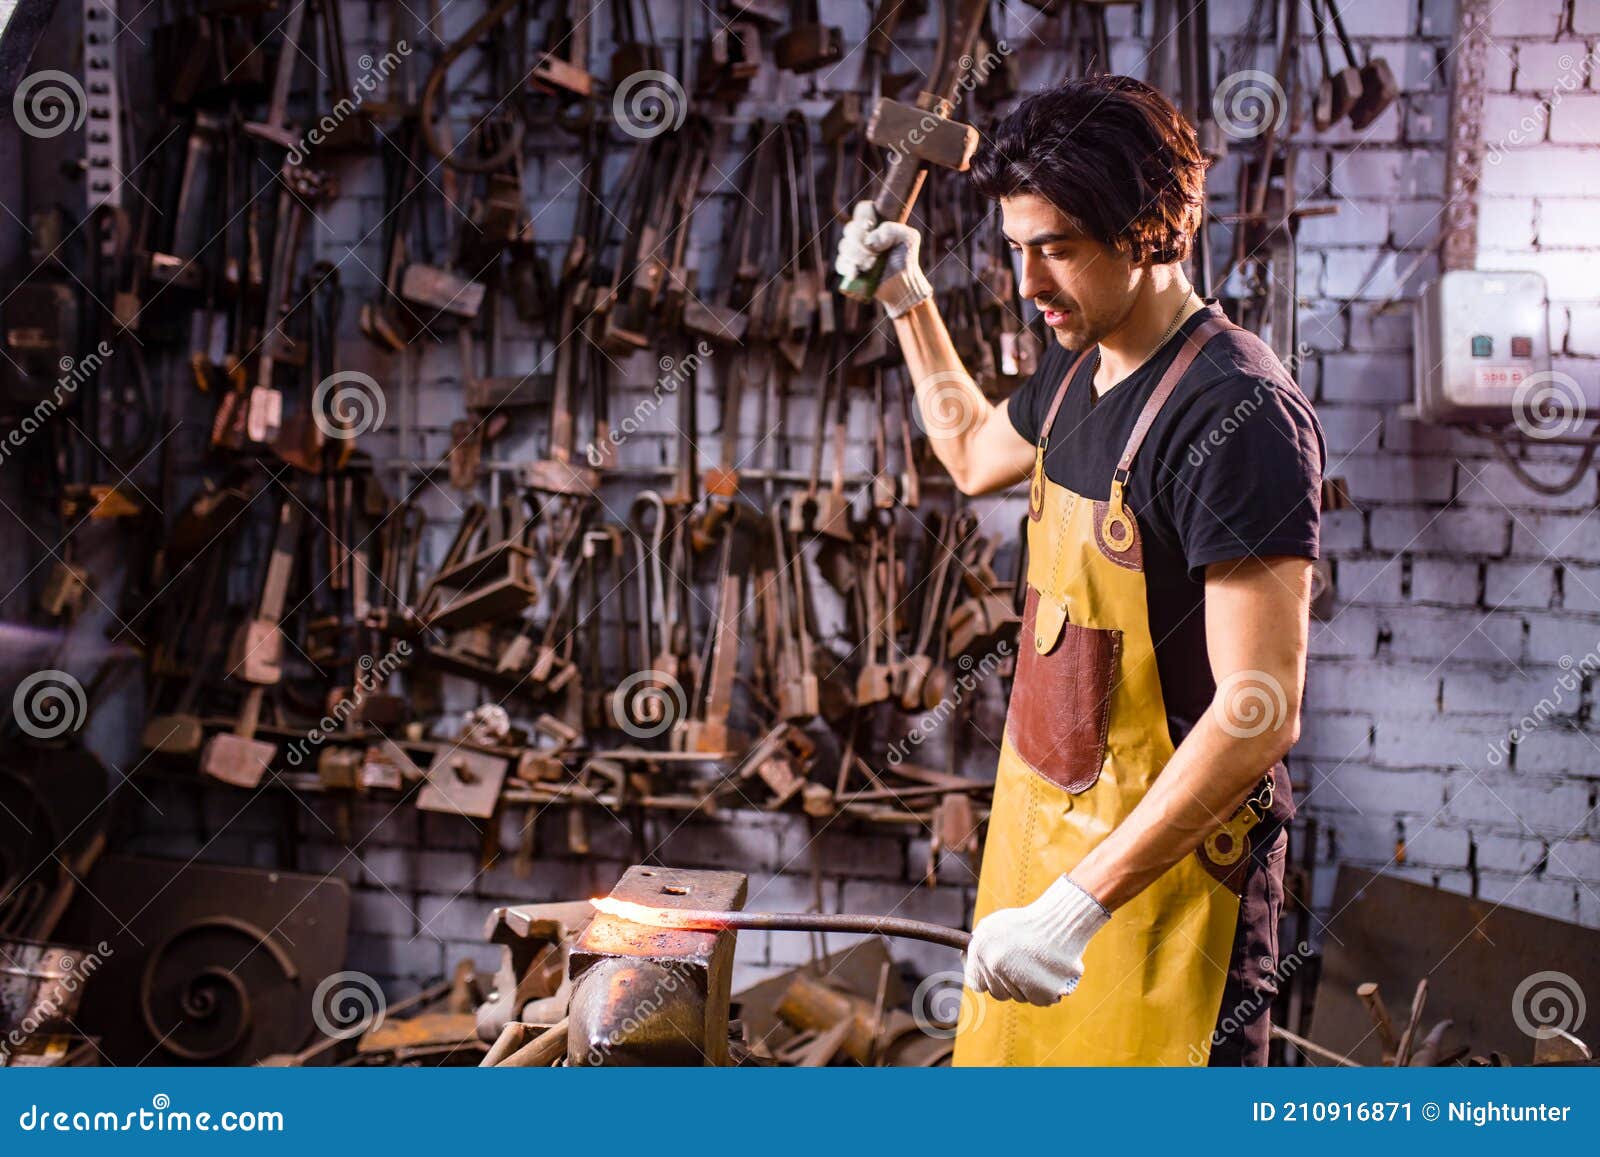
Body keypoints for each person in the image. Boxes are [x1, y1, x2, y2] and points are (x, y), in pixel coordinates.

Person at [833, 74, 1326, 1066]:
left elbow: (1260, 707)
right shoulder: (1080, 362)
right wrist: (906, 297)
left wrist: (1079, 905)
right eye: (1018, 248)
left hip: (1162, 901)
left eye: (1055, 247)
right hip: (1044, 855)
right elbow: (973, 451)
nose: (1028, 283)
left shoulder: (1234, 415)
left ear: (1150, 227)